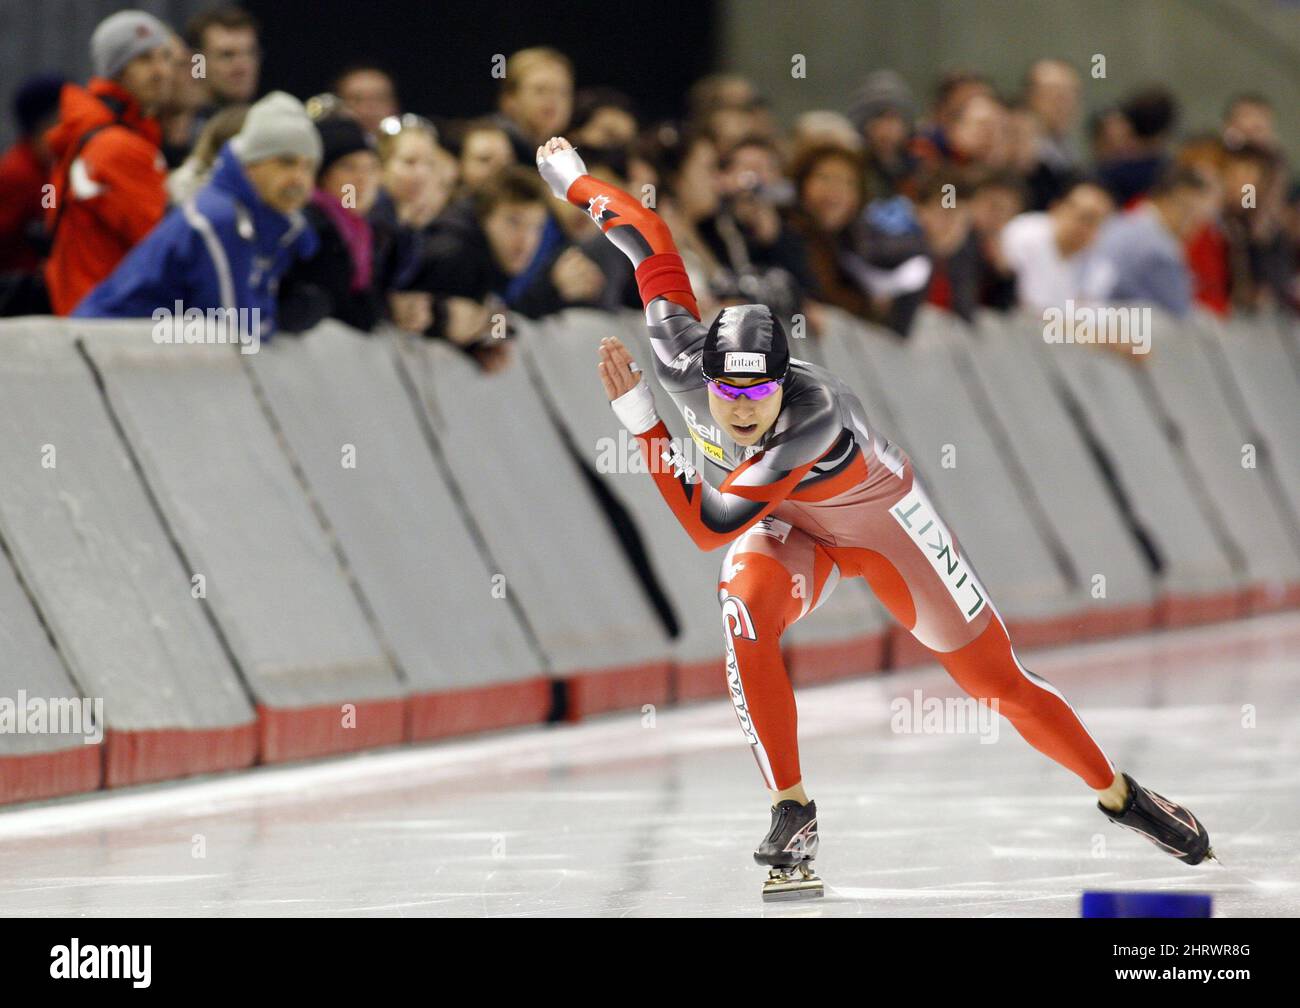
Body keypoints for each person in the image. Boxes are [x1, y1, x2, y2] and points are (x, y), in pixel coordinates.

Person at [536, 135, 1215, 900]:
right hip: (791, 526)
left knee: (999, 686)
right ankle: (791, 809)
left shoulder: (809, 417)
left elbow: (705, 525)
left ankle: (1123, 795)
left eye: (760, 396)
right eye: (728, 393)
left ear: (784, 384)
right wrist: (574, 179)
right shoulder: (676, 353)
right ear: (704, 372)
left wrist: (644, 428)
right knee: (744, 610)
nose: (741, 411)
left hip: (884, 528)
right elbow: (646, 235)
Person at [74, 91, 319, 340]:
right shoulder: (218, 219)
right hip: (104, 349)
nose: (299, 178)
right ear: (251, 164)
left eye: (309, 166)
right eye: (285, 162)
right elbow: (235, 329)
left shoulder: (271, 224)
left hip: (146, 356)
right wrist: (278, 321)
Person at [43, 9, 173, 315]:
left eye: (164, 57)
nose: (161, 71)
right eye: (144, 60)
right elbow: (163, 245)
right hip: (109, 317)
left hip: (88, 310)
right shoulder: (117, 147)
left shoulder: (91, 132)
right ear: (116, 71)